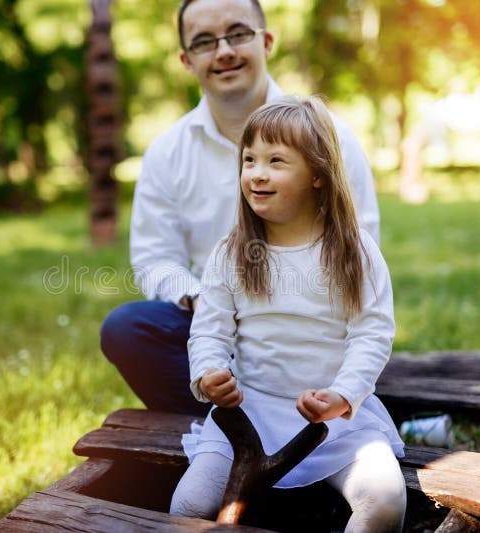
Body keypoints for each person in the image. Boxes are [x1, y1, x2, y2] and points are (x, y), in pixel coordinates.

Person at [100, 0, 381, 416]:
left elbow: (361, 245)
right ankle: (238, 420)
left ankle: (313, 411)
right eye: (204, 42)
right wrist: (203, 298)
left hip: (313, 323)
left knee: (346, 345)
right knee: (127, 329)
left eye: (238, 34)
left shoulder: (330, 137)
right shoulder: (166, 153)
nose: (224, 51)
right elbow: (155, 261)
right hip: (215, 320)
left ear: (266, 42)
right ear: (186, 60)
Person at [169, 95, 406, 531]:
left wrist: (343, 395)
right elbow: (209, 331)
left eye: (276, 160)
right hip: (250, 416)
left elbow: (371, 333)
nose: (257, 173)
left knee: (385, 500)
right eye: (249, 159)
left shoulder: (352, 250)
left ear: (317, 173)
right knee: (188, 503)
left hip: (334, 423)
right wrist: (208, 373)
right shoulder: (233, 252)